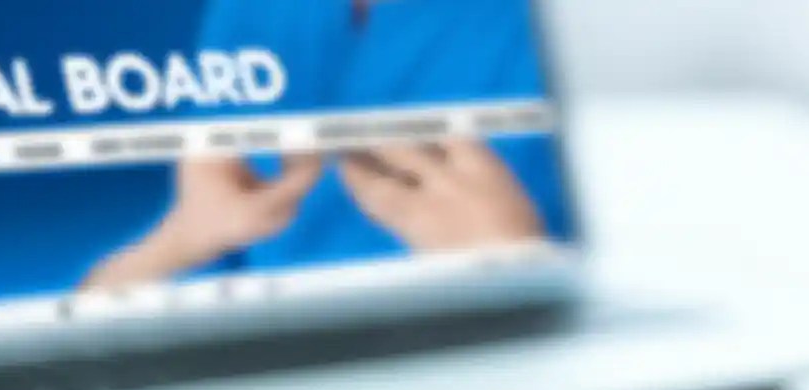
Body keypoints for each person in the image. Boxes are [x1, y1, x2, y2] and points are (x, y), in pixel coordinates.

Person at [83, 0, 568, 289]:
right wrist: (179, 241)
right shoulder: (254, 11)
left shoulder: (558, 26)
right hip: (280, 389)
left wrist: (510, 260)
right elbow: (90, 331)